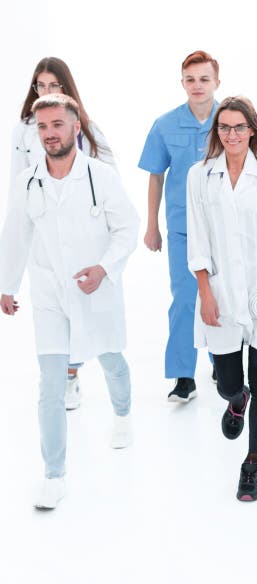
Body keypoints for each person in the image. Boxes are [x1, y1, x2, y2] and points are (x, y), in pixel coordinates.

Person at [0, 93, 139, 509]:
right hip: (48, 295)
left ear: (76, 128)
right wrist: (8, 285)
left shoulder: (100, 176)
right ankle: (54, 476)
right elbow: (17, 235)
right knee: (50, 386)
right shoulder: (27, 181)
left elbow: (127, 229)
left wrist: (103, 268)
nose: (49, 134)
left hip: (95, 289)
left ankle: (123, 415)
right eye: (42, 127)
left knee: (111, 358)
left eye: (57, 125)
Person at [187, 96, 257, 501]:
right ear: (217, 133)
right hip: (219, 290)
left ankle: (252, 464)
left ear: (252, 130)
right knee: (228, 381)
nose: (231, 135)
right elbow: (197, 238)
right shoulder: (200, 176)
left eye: (239, 127)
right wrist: (204, 293)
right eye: (224, 127)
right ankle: (236, 401)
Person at [11, 56, 117, 411]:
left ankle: (72, 372)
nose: (46, 91)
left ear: (66, 88)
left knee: (83, 309)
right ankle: (63, 377)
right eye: (40, 86)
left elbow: (109, 172)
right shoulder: (24, 131)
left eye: (53, 85)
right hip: (44, 227)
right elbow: (17, 185)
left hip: (85, 231)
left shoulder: (85, 126)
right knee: (53, 309)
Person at [138, 50, 220, 403]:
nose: (197, 86)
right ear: (182, 83)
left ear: (217, 81)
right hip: (183, 228)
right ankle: (184, 376)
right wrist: (152, 225)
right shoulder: (165, 125)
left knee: (224, 298)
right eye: (191, 79)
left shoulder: (231, 119)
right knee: (186, 300)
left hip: (224, 228)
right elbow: (156, 176)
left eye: (204, 79)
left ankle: (223, 361)